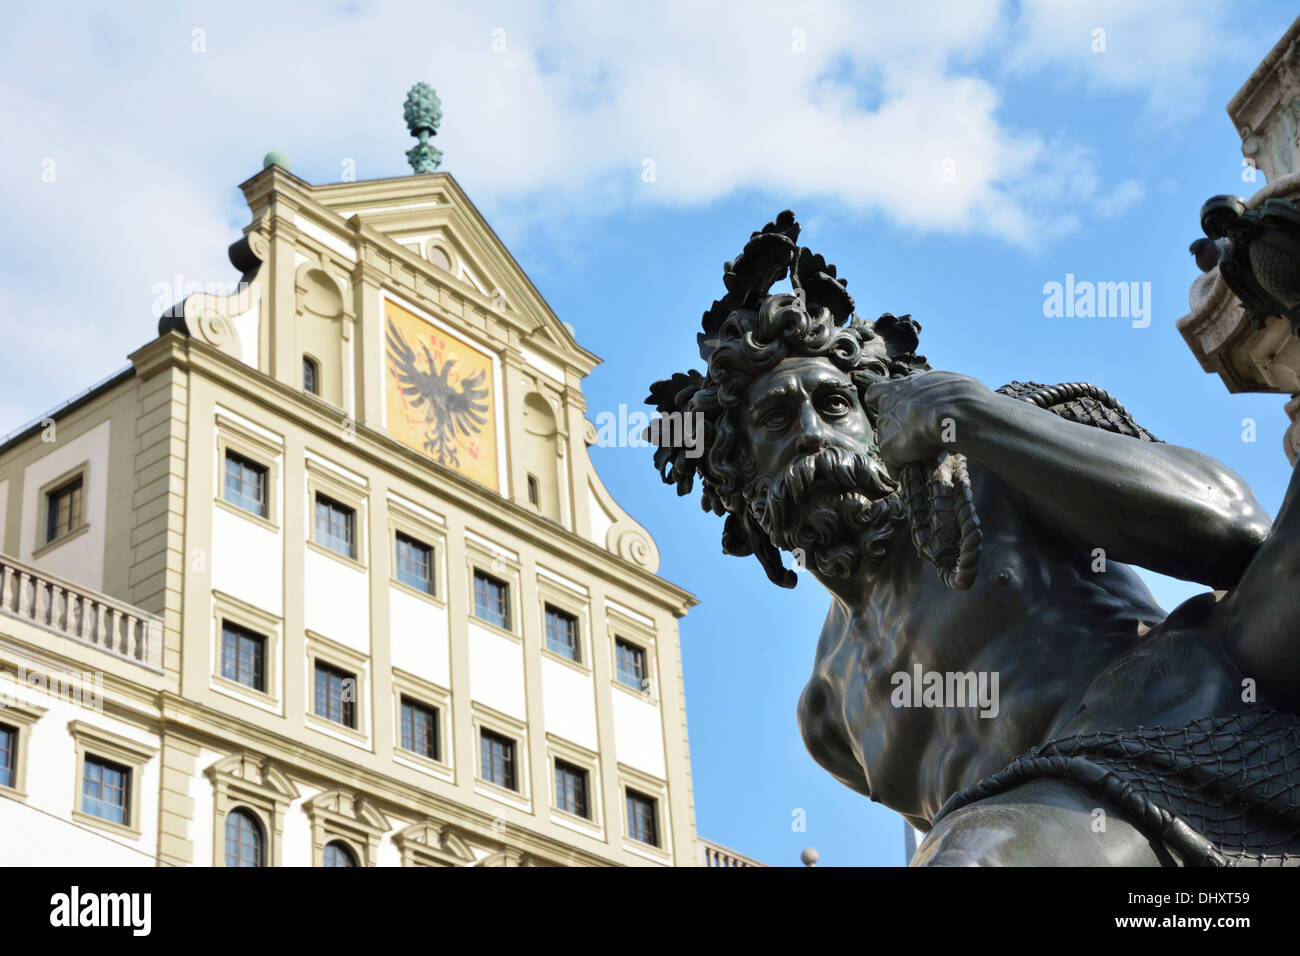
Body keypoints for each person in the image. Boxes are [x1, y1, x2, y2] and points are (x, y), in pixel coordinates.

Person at [648, 211, 1300, 866]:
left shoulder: (991, 470)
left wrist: (974, 416)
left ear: (878, 413)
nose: (815, 431)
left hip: (1192, 752)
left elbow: (1235, 533)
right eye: (776, 416)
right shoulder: (827, 714)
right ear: (739, 472)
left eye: (836, 403)